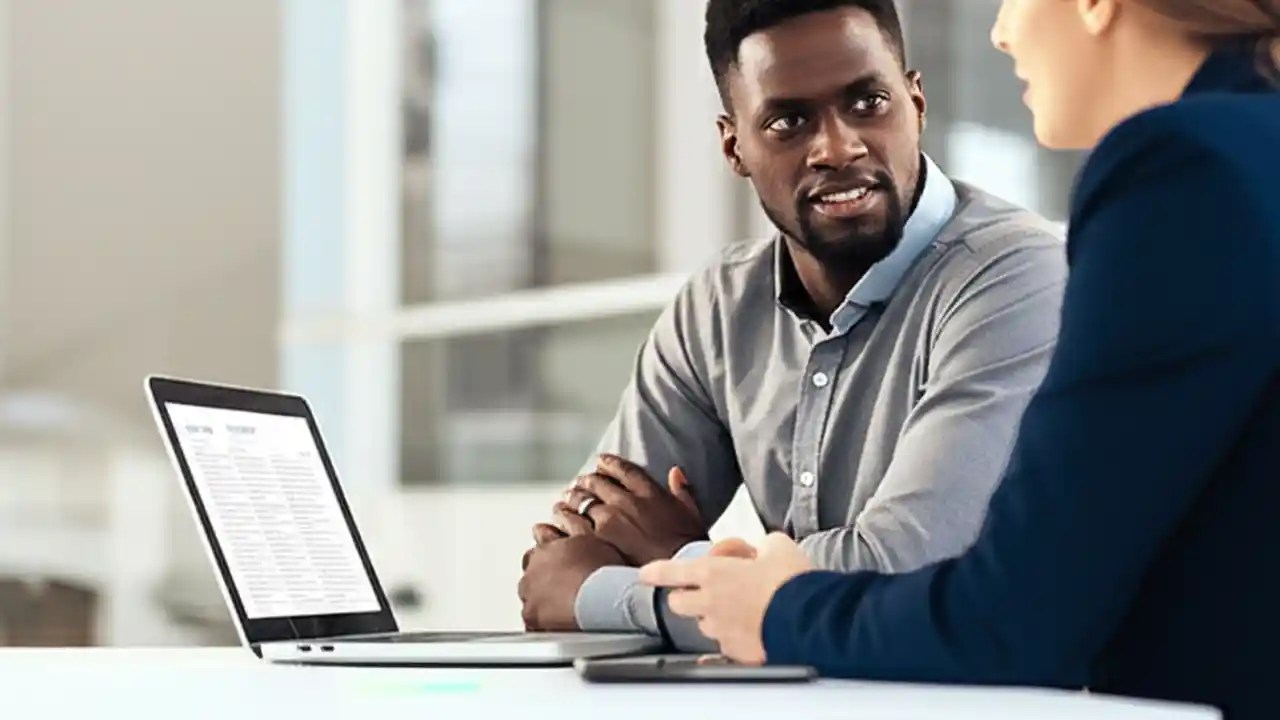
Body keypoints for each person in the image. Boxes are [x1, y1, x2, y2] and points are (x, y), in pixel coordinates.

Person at [640, 1, 1280, 717]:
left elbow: (1019, 620)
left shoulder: (1182, 168)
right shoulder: (1245, 147)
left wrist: (776, 609)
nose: (1000, 32)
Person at [517, 0, 1067, 650]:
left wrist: (676, 562)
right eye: (788, 122)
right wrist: (694, 580)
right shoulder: (718, 308)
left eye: (868, 103)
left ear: (915, 102)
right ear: (735, 146)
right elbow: (576, 552)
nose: (838, 147)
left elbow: (908, 572)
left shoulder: (1017, 278)